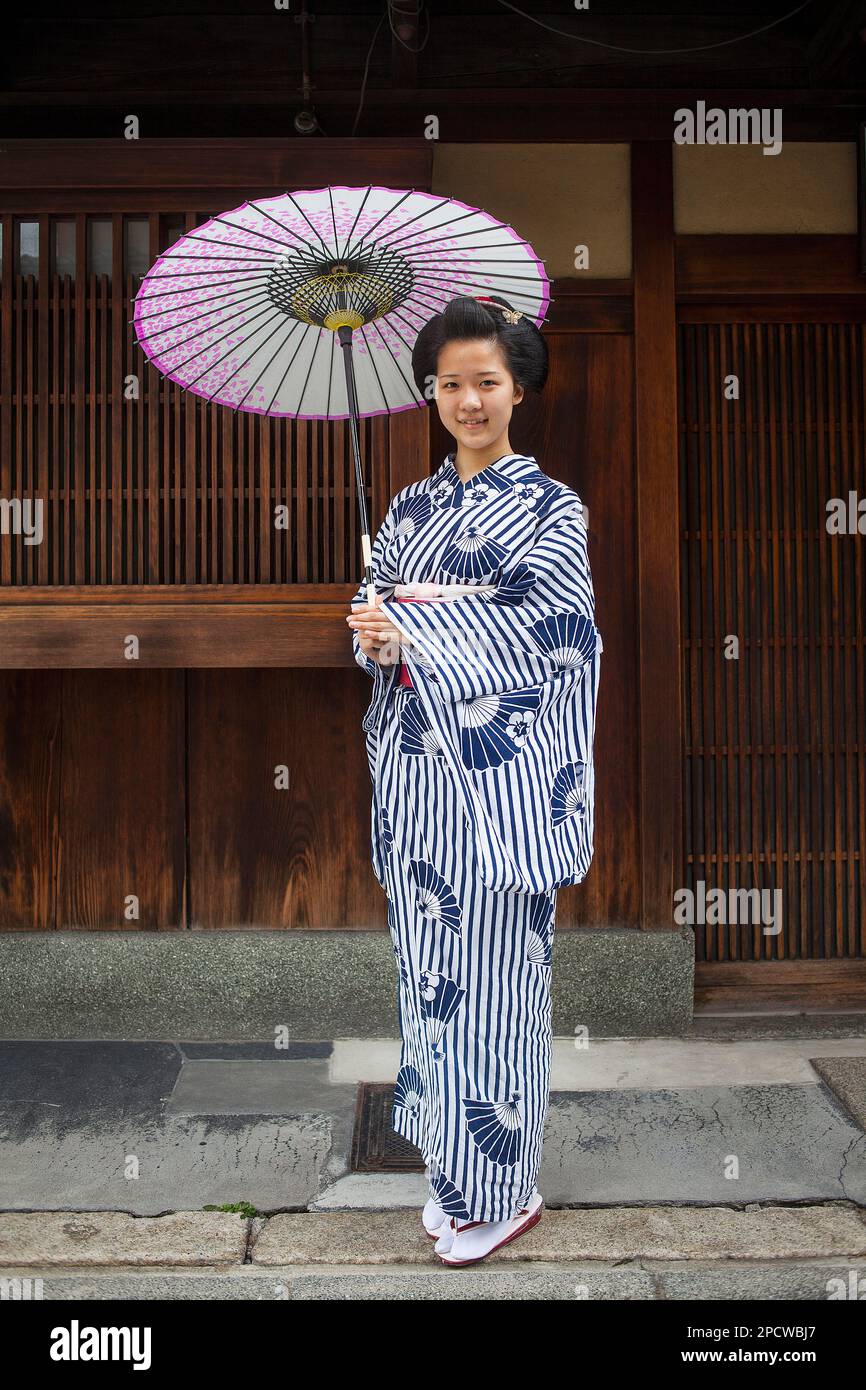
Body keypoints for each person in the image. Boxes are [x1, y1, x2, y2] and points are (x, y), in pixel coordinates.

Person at [346, 293, 603, 1267]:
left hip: (498, 792)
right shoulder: (407, 507)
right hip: (418, 784)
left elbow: (557, 643)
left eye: (484, 382)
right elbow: (381, 634)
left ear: (519, 388)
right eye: (448, 383)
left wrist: (423, 629)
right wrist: (372, 631)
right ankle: (453, 1173)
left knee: (495, 983)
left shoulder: (549, 510)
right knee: (431, 983)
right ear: (432, 391)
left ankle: (504, 1188)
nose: (466, 399)